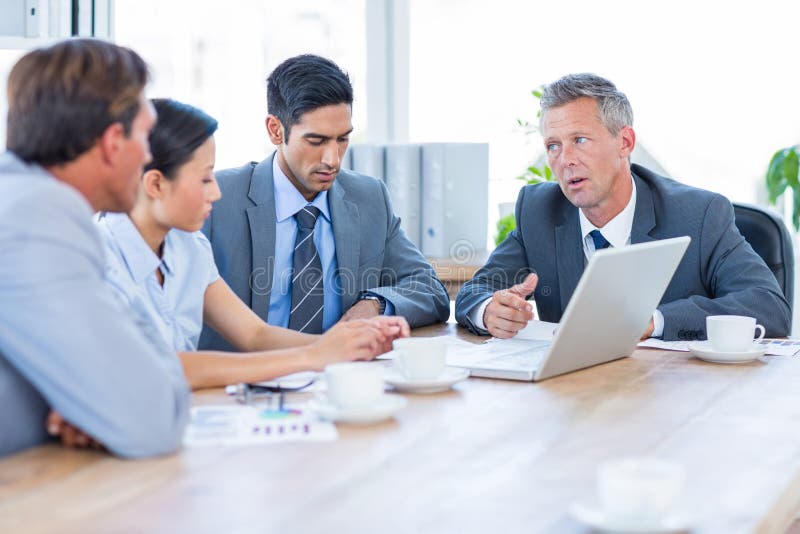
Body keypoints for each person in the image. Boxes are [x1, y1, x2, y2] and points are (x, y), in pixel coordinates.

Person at [96, 98, 410, 390]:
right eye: (205, 179)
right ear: (155, 183)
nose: (216, 193)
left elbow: (255, 334)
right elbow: (156, 368)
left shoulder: (189, 247)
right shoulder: (97, 260)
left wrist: (348, 340)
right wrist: (311, 357)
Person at [455, 73, 791, 341]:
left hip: (675, 398)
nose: (566, 160)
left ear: (625, 143)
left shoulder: (700, 215)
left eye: (580, 140)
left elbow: (768, 307)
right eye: (553, 145)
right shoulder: (540, 210)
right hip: (573, 398)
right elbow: (476, 291)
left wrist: (652, 321)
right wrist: (489, 310)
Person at [0, 39, 190, 458]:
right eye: (145, 133)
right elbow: (156, 418)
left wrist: (86, 401)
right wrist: (99, 401)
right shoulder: (39, 214)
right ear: (111, 141)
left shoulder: (17, 200)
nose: (149, 154)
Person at [199, 54, 449, 351]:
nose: (332, 160)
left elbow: (430, 289)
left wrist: (374, 305)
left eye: (342, 139)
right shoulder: (217, 199)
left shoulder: (369, 198)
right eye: (316, 141)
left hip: (338, 381)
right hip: (243, 385)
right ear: (275, 130)